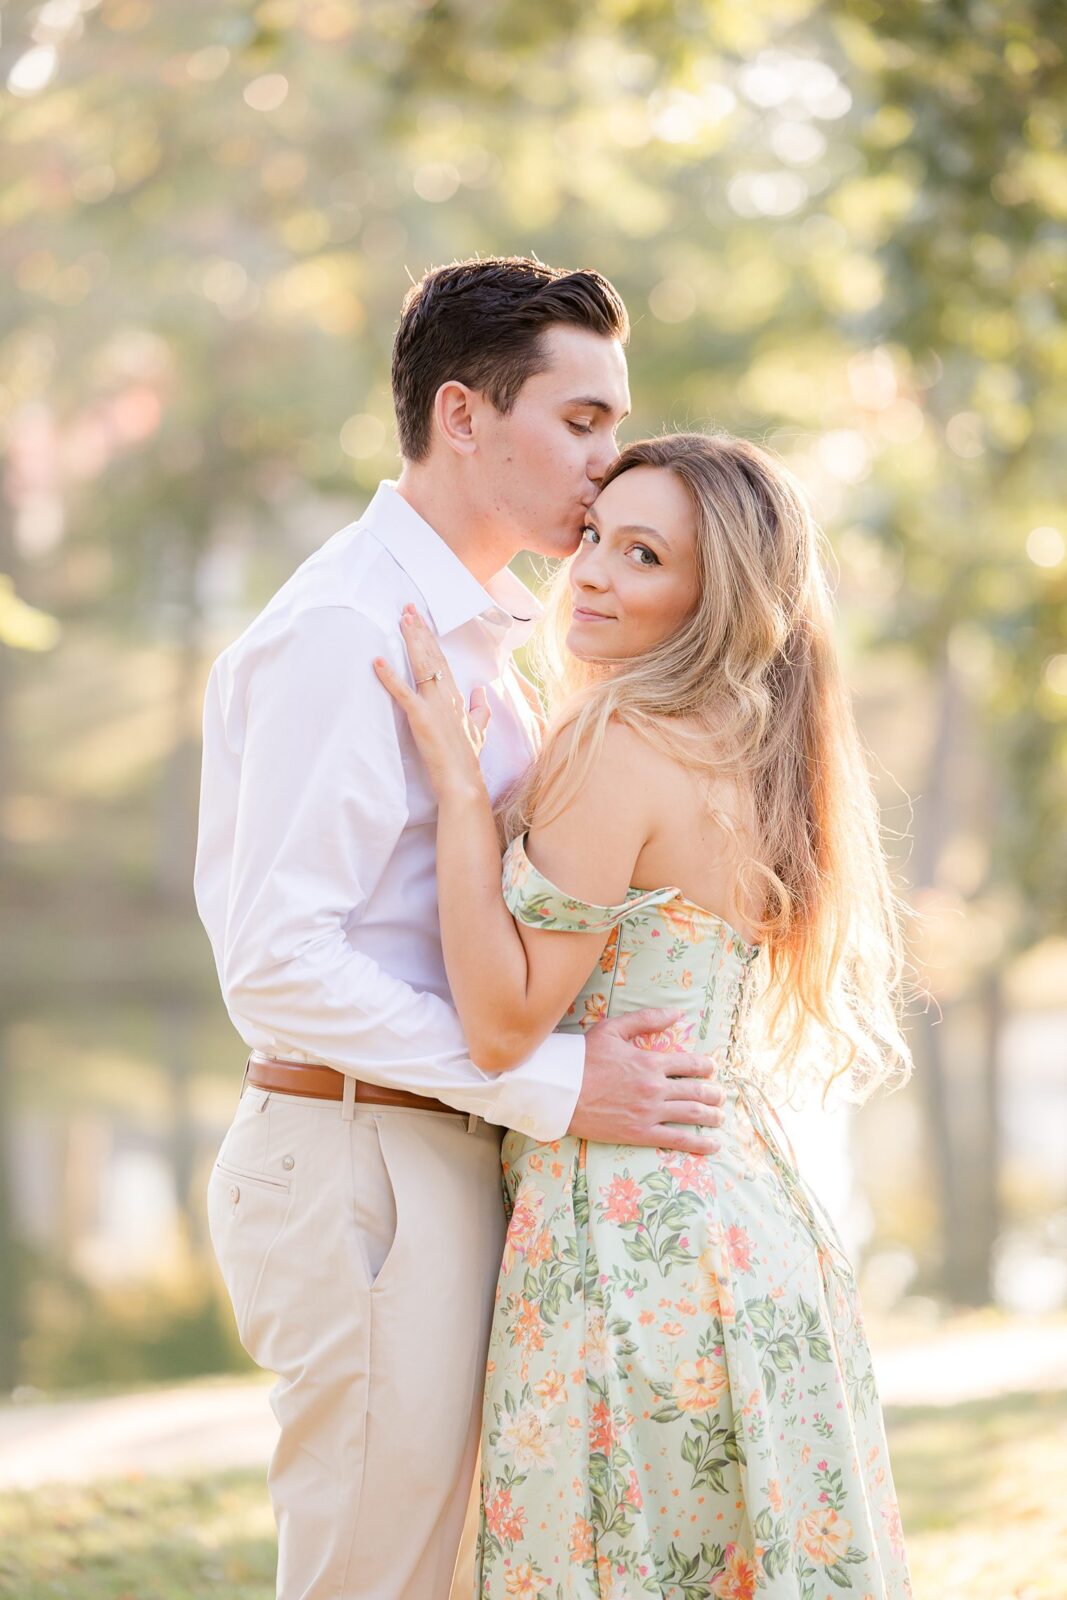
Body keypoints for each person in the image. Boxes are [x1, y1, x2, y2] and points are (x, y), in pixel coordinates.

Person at [194, 259, 727, 1600]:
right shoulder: (347, 630)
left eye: (614, 424)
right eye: (581, 421)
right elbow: (276, 966)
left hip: (440, 1147)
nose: (606, 469)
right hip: (355, 1155)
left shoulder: (487, 635)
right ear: (463, 416)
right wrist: (556, 1084)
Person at [377, 432, 914, 1598]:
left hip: (625, 1242)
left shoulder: (618, 740)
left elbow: (507, 1022)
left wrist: (463, 796)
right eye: (595, 541)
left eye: (642, 555)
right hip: (752, 1225)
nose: (593, 575)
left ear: (710, 596)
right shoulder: (759, 747)